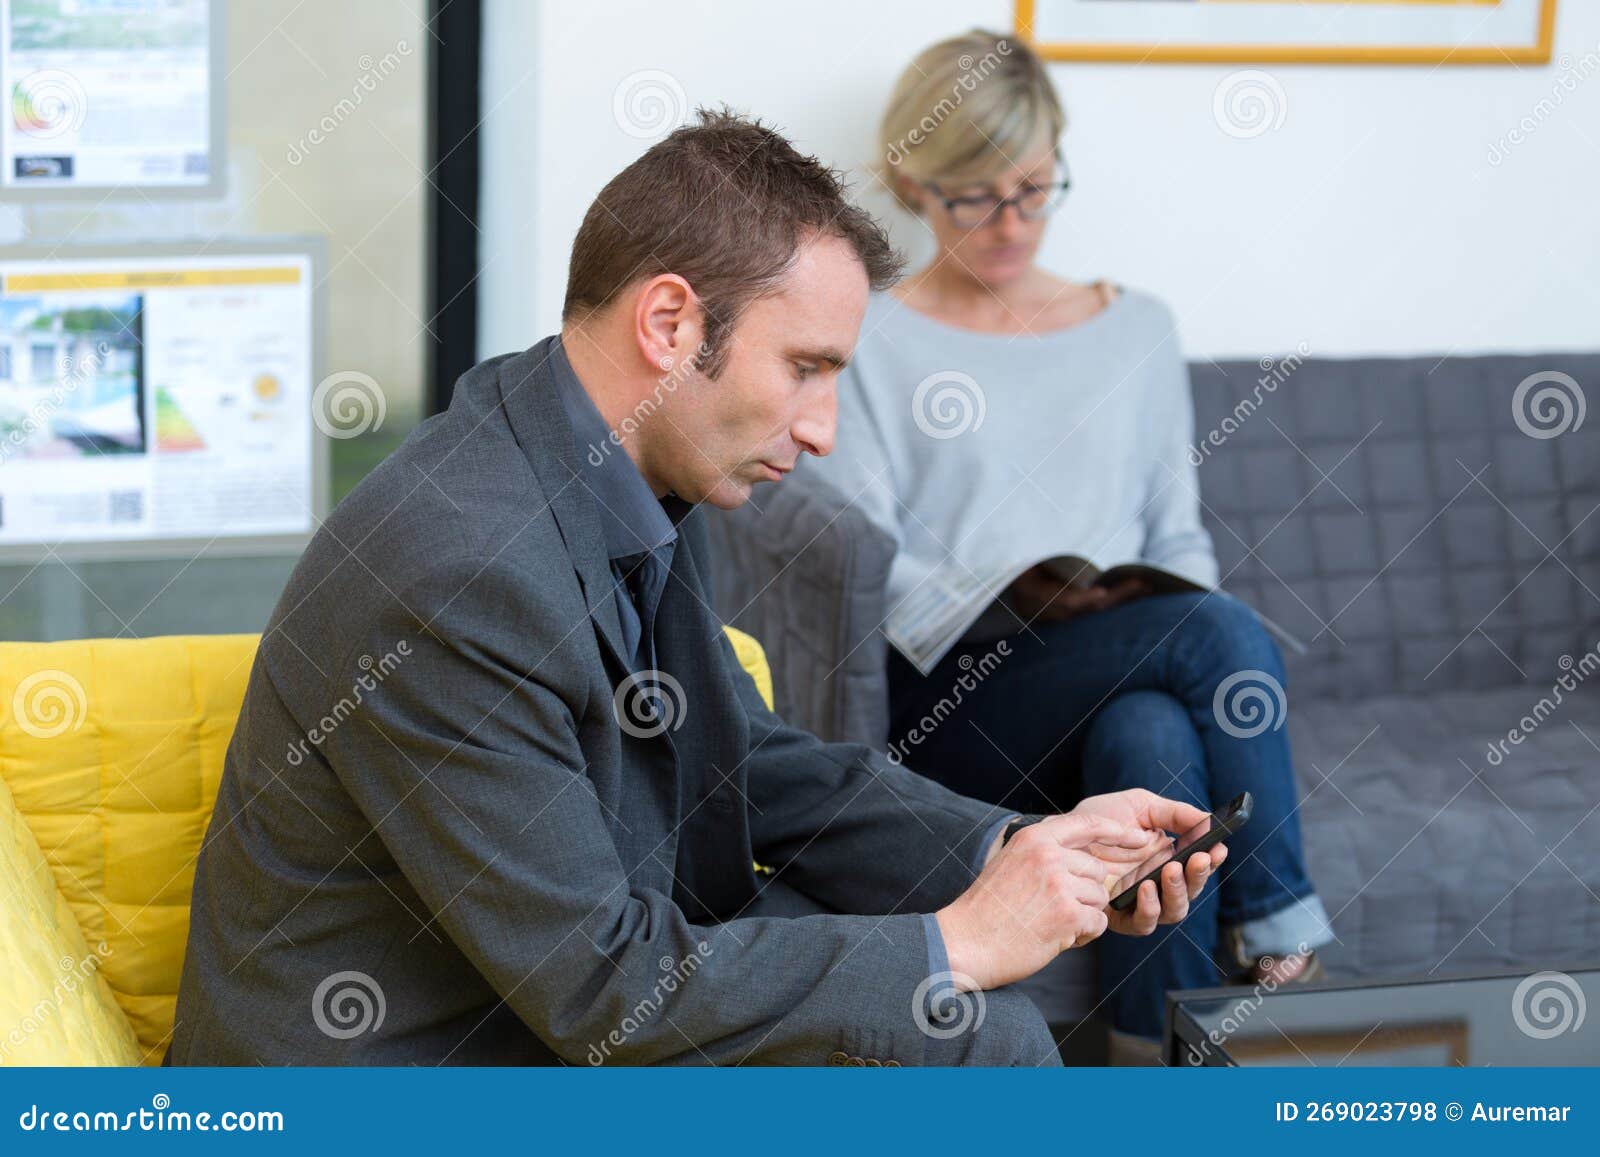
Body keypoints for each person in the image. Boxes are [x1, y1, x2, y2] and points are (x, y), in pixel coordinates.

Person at [166, 109, 1224, 1067]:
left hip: (544, 997)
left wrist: (1019, 851)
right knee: (971, 1029)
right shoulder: (454, 569)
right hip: (416, 1066)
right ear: (670, 324)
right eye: (806, 367)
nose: (822, 430)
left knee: (956, 1010)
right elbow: (602, 989)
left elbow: (739, 760)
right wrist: (960, 938)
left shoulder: (615, 461)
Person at [798, 32, 1334, 1063]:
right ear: (912, 182)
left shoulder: (1135, 330)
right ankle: (1282, 935)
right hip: (958, 697)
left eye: (1034, 191)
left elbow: (1177, 537)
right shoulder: (869, 334)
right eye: (974, 197)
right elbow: (868, 572)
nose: (1010, 223)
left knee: (1152, 735)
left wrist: (1134, 618)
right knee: (1212, 635)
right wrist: (1021, 597)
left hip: (1124, 671)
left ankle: (1152, 1076)